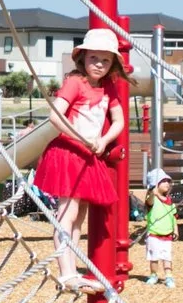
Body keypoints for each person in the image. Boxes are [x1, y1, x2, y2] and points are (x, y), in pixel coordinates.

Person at [32, 30, 128, 287]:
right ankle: (66, 272)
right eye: (94, 58)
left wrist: (104, 140)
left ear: (112, 64)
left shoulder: (108, 86)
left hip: (88, 154)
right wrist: (81, 138)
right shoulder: (76, 82)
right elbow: (56, 116)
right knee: (69, 210)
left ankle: (72, 270)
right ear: (83, 58)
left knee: (80, 213)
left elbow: (119, 120)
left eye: (105, 60)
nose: (99, 64)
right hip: (69, 152)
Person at [136, 170, 178, 287]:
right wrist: (152, 193)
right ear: (156, 184)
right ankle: (153, 274)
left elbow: (173, 216)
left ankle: (168, 276)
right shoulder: (152, 200)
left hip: (167, 235)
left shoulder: (170, 201)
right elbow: (149, 200)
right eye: (163, 181)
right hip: (154, 234)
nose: (167, 184)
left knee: (167, 256)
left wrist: (175, 229)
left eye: (168, 181)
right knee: (154, 257)